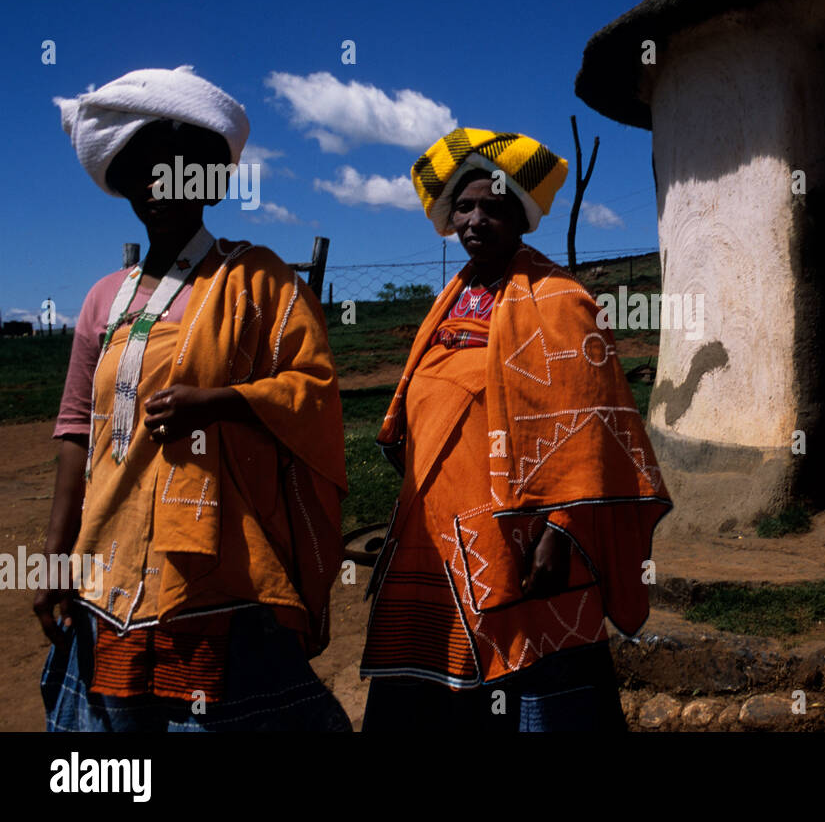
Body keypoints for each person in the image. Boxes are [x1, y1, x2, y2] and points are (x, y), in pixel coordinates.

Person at [37, 65, 350, 731]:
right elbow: (74, 433)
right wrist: (54, 555)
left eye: (178, 165)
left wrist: (219, 402)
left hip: (219, 572)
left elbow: (314, 391)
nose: (160, 182)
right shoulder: (102, 299)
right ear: (124, 184)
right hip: (108, 568)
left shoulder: (259, 280)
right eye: (143, 168)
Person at [360, 127, 671, 731]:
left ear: (523, 220)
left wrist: (562, 531)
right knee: (433, 693)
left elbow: (591, 426)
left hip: (524, 545)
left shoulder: (559, 301)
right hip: (435, 537)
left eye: (494, 207)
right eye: (464, 207)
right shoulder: (448, 302)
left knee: (535, 683)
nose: (475, 220)